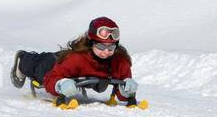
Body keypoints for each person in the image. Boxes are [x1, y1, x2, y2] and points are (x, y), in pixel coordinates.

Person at [10, 16, 138, 104]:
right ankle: (22, 58)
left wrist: (126, 91)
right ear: (90, 43)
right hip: (54, 66)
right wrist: (59, 85)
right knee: (39, 66)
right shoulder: (76, 59)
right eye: (101, 46)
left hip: (74, 71)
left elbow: (121, 95)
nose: (106, 52)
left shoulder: (120, 61)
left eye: (111, 47)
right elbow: (50, 79)